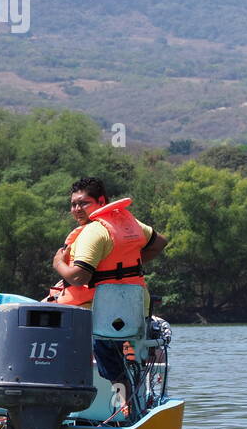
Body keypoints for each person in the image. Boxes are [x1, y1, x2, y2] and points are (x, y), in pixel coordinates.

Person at [49, 177, 168, 414]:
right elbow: (159, 243)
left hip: (102, 312)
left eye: (83, 203)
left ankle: (119, 403)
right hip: (136, 308)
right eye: (73, 204)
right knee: (125, 353)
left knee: (53, 327)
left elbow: (79, 277)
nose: (76, 209)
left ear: (101, 201)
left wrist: (58, 263)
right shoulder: (128, 222)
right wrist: (126, 267)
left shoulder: (93, 232)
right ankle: (133, 401)